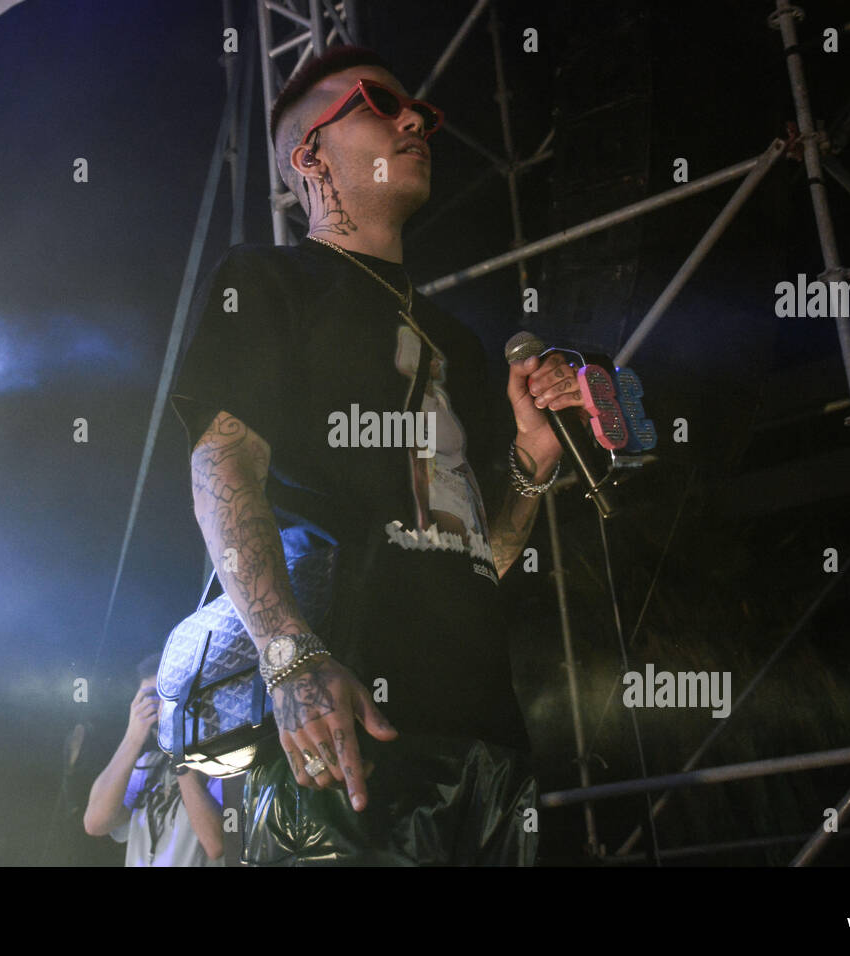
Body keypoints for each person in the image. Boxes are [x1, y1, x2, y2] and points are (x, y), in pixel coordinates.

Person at [169, 45, 585, 865]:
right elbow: (222, 466)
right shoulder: (264, 281)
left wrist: (532, 467)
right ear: (310, 155)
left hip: (488, 735)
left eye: (420, 113)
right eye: (376, 103)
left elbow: (478, 552)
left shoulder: (459, 341)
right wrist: (290, 662)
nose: (414, 120)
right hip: (346, 721)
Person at [83, 655, 225, 866]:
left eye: (162, 697)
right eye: (147, 698)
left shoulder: (224, 764)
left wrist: (178, 744)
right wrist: (132, 738)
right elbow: (95, 823)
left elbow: (215, 845)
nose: (153, 708)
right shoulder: (147, 765)